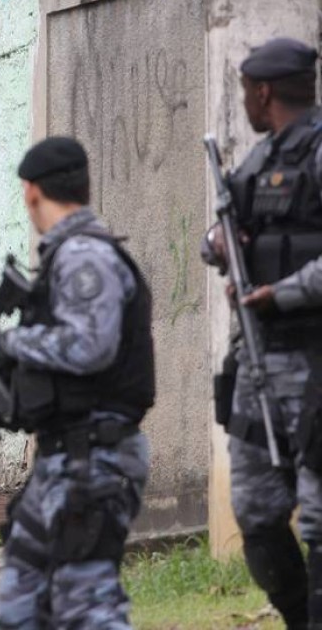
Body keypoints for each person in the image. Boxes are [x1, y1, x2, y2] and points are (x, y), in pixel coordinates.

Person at [0, 137, 155, 629]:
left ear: (31, 192)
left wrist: (7, 345)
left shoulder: (85, 256)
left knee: (88, 609)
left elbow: (90, 348)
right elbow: (57, 374)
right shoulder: (63, 259)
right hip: (61, 460)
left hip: (95, 462)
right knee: (21, 611)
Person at [201, 37, 322, 629]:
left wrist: (284, 292)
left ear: (264, 91)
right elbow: (220, 235)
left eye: (247, 90)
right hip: (259, 364)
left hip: (315, 362)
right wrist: (220, 246)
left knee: (320, 516)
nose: (245, 100)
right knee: (254, 508)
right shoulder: (256, 162)